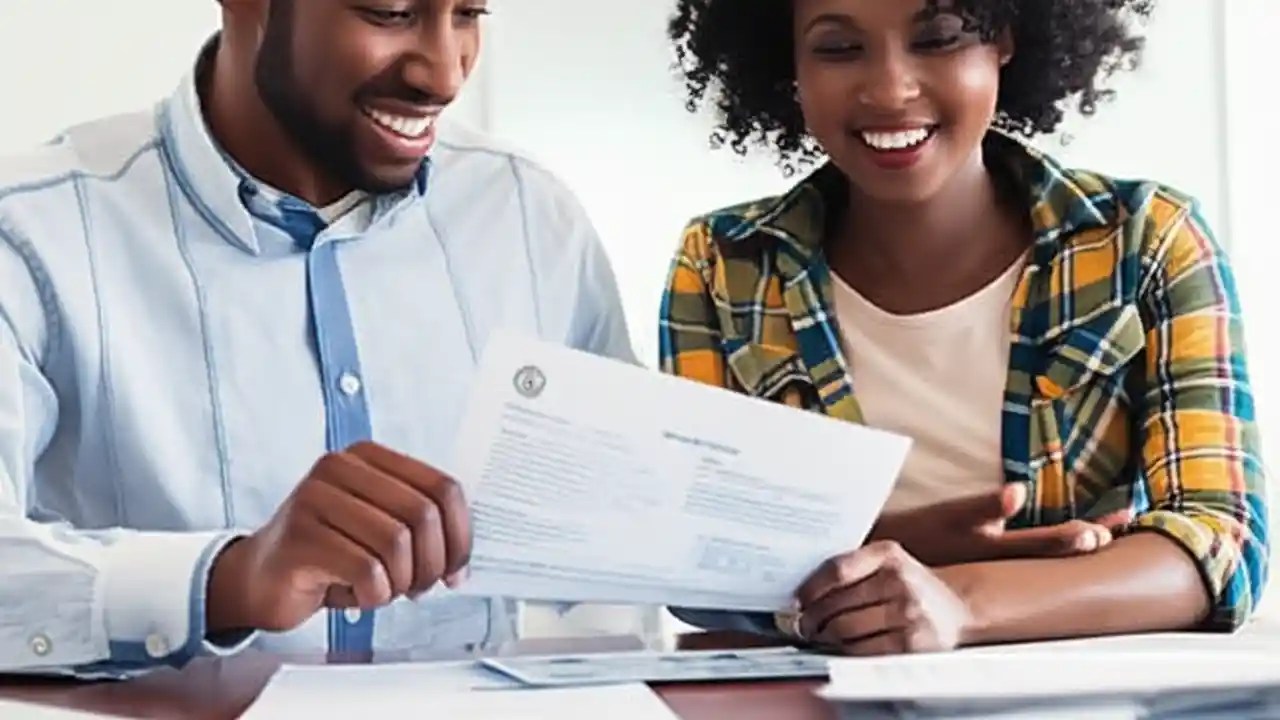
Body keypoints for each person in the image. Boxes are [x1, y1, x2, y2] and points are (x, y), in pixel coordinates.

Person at [0, 0, 632, 676]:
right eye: (391, 12)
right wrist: (229, 580)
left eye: (469, 13)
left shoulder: (530, 216)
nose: (445, 75)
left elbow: (628, 542)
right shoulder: (34, 232)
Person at [660, 0, 1268, 655]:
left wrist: (961, 602)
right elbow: (692, 569)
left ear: (1005, 39)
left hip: (1085, 690)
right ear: (790, 63)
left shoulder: (1147, 241)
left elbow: (1223, 546)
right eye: (838, 49)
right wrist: (904, 544)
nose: (890, 89)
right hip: (823, 690)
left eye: (939, 39)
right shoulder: (724, 263)